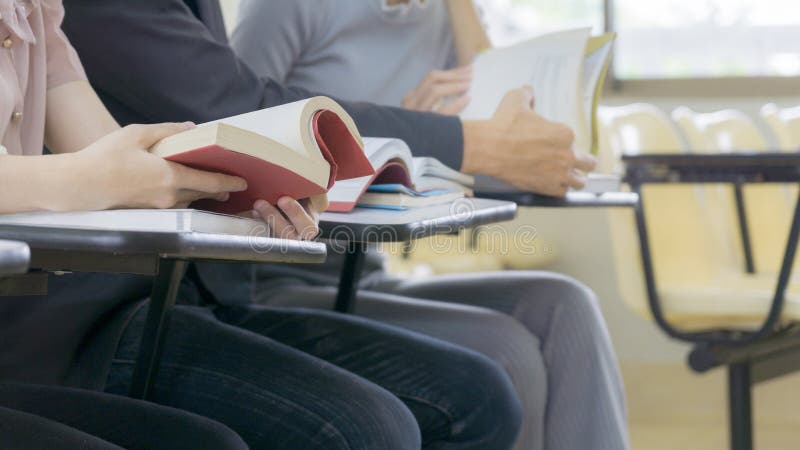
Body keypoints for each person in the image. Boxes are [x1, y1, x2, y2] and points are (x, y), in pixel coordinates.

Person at [0, 1, 525, 449]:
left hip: (155, 293)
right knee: (362, 428)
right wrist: (97, 177)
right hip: (64, 321)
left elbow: (117, 155)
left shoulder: (40, 15)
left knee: (477, 394)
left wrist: (243, 192)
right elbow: (113, 162)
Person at [230, 2, 630, 450]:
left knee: (566, 303)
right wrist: (403, 137)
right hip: (266, 276)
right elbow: (233, 122)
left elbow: (492, 130)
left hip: (365, 271)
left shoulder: (443, 17)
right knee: (507, 350)